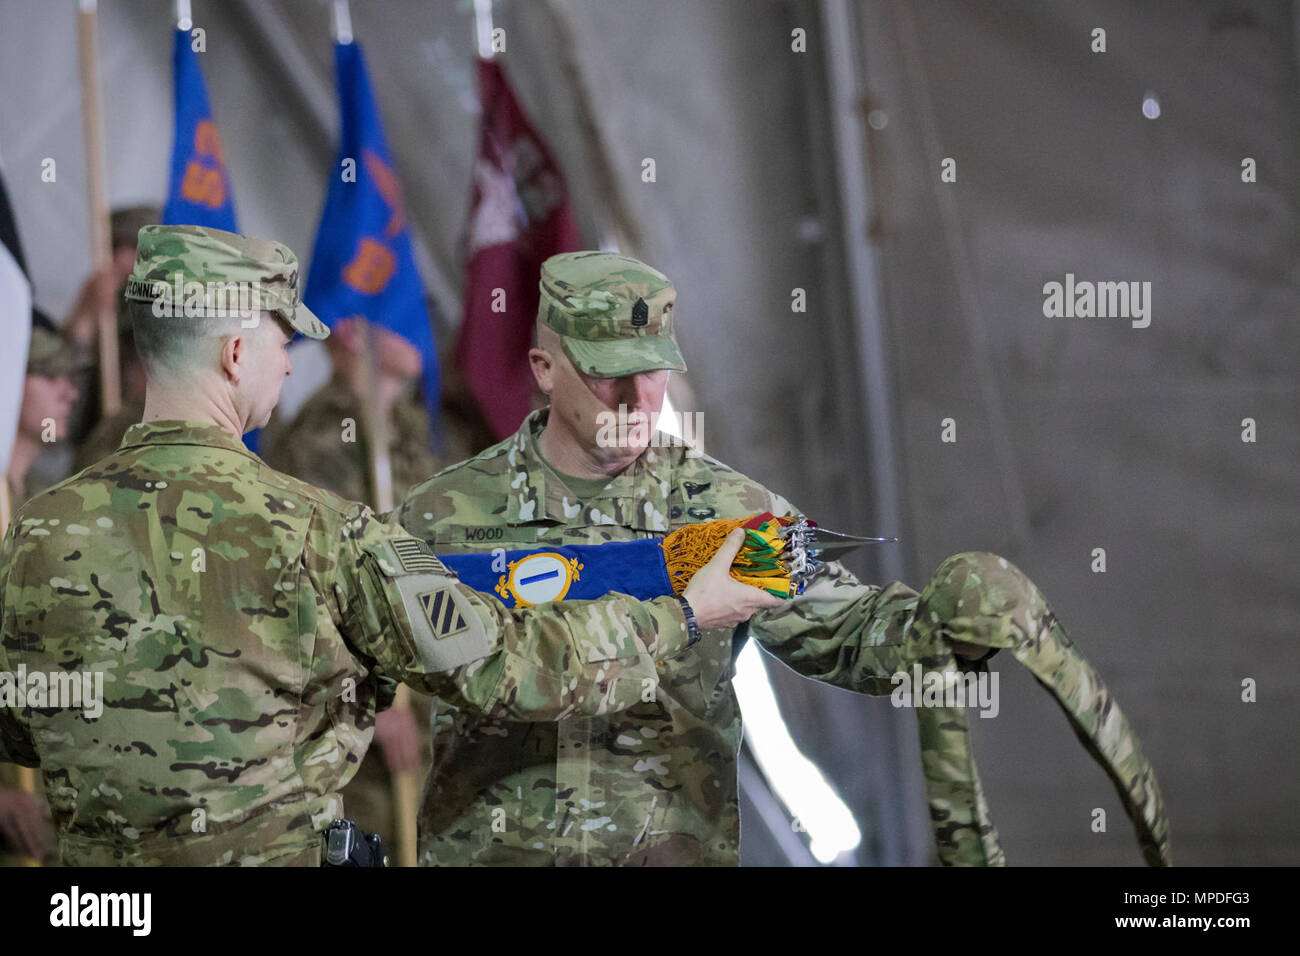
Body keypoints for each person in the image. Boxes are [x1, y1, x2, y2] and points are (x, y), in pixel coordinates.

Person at [0, 227, 777, 866]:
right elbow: (509, 667)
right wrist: (683, 612)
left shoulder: (34, 531)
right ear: (235, 354)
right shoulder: (325, 533)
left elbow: (20, 726)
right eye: (281, 339)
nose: (288, 360)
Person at [394, 252, 1055, 866]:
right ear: (543, 368)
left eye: (651, 370)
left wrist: (942, 631)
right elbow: (354, 658)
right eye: (605, 371)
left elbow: (842, 628)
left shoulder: (729, 509)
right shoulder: (442, 517)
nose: (634, 399)